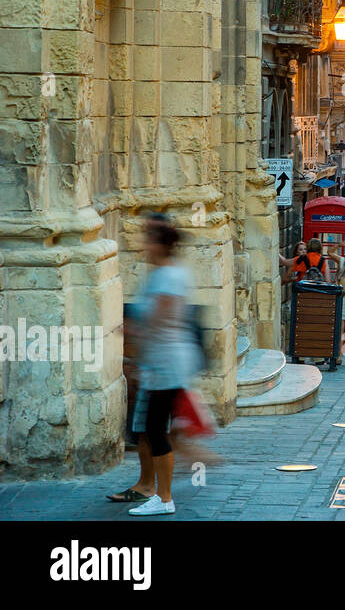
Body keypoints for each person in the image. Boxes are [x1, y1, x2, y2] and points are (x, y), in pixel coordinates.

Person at [108, 217, 202, 516]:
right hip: (160, 363)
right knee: (151, 428)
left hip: (167, 364)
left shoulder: (167, 278)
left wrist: (131, 329)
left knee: (155, 430)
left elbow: (158, 318)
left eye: (148, 240)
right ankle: (155, 491)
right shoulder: (165, 274)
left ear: (161, 245)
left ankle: (163, 498)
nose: (144, 246)